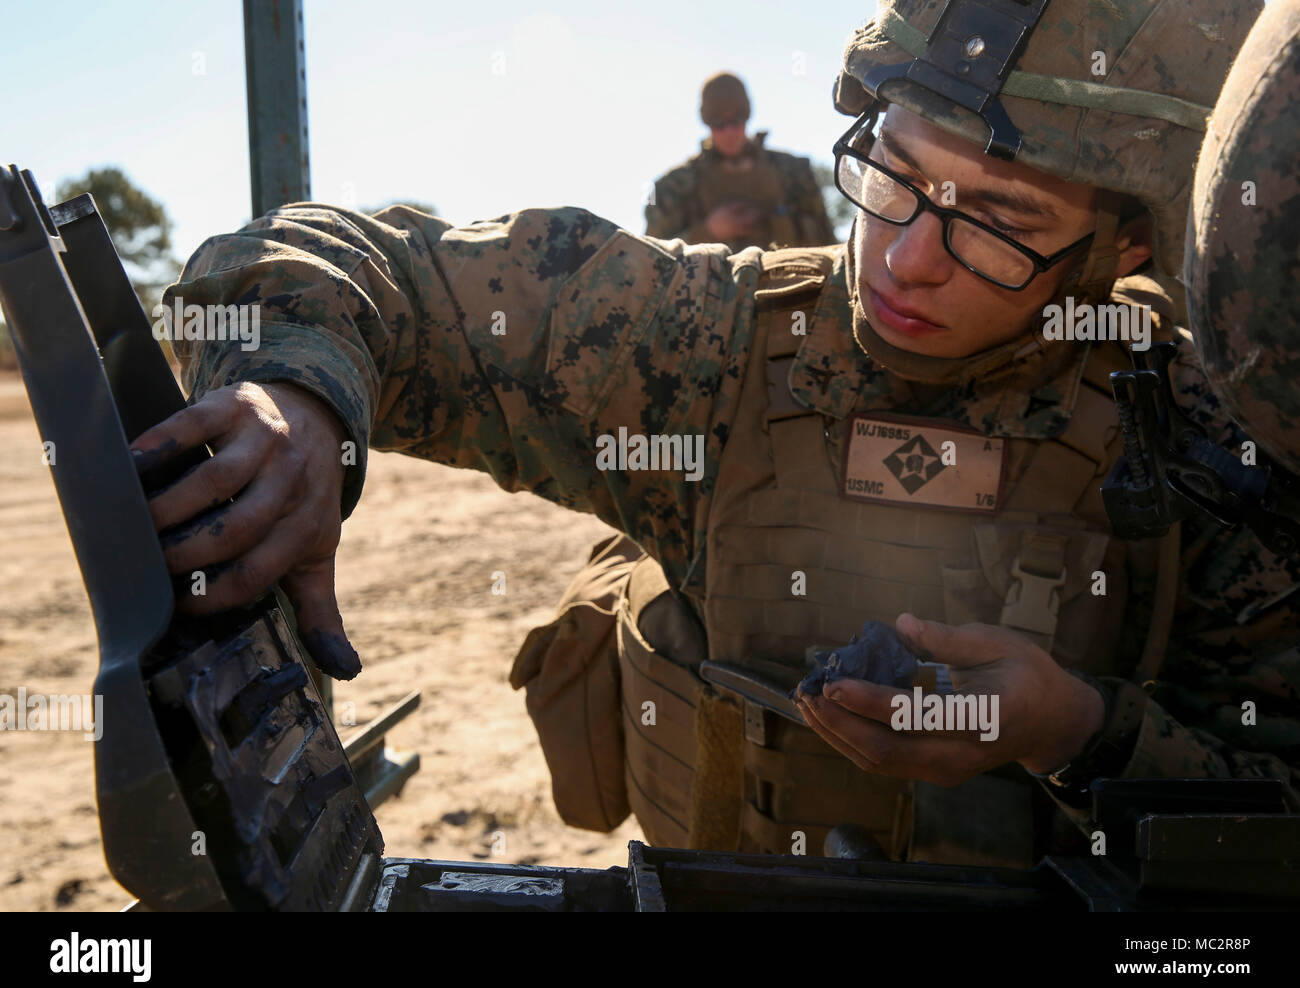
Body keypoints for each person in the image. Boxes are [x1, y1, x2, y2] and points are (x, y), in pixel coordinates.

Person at [131, 0, 1294, 865]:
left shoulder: (1206, 432)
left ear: (1128, 249)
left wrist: (1077, 732)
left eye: (997, 221)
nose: (904, 256)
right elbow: (342, 259)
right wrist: (300, 391)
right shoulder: (703, 339)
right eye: (891, 170)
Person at [644, 72, 835, 252]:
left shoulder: (794, 173)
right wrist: (708, 232)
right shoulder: (673, 188)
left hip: (794, 283)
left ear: (747, 116)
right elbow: (652, 260)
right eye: (718, 122)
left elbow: (828, 246)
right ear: (706, 121)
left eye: (736, 120)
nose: (729, 131)